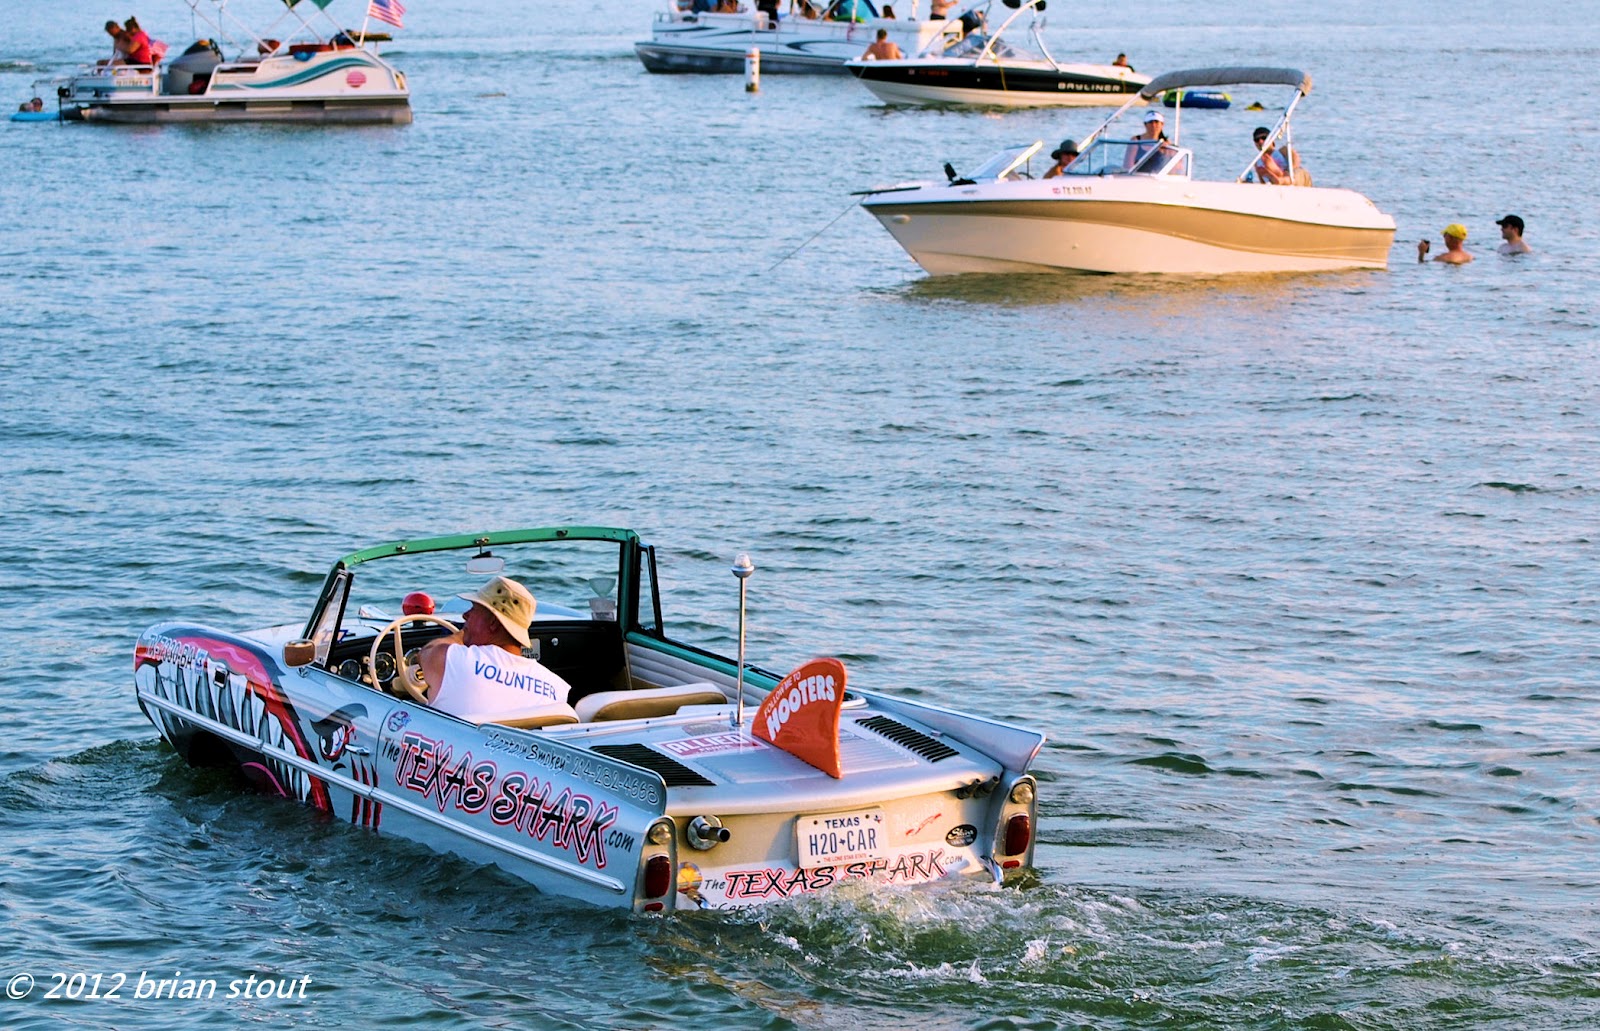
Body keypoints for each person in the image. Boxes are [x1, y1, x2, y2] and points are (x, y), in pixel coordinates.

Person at [416, 576, 574, 718]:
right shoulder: (556, 689)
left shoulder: (453, 661)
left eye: (474, 610)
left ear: (493, 623)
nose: (465, 615)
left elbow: (427, 653)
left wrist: (461, 634)